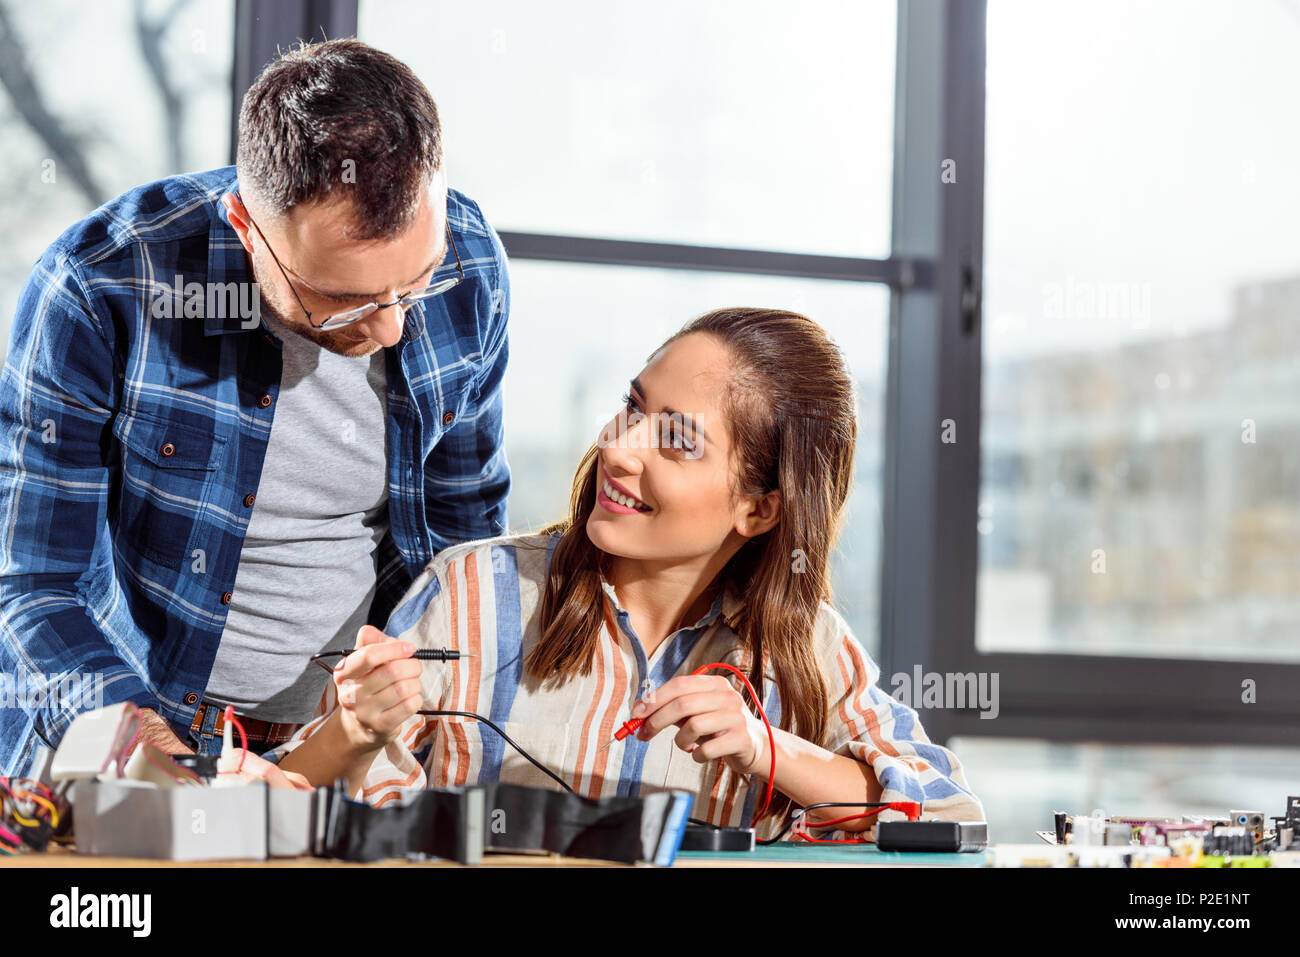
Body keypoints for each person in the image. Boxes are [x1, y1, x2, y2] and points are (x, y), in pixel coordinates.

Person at [268, 308, 985, 841]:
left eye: (676, 441)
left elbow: (948, 811)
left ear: (760, 509)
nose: (618, 447)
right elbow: (293, 800)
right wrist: (356, 731)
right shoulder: (474, 594)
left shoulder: (808, 648)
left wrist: (770, 750)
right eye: (632, 407)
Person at [0, 38, 511, 777]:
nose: (391, 328)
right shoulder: (102, 286)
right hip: (135, 729)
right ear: (247, 228)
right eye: (342, 301)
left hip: (353, 747)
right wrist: (147, 752)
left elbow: (465, 535)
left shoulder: (471, 262)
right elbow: (32, 582)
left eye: (417, 282)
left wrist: (425, 708)